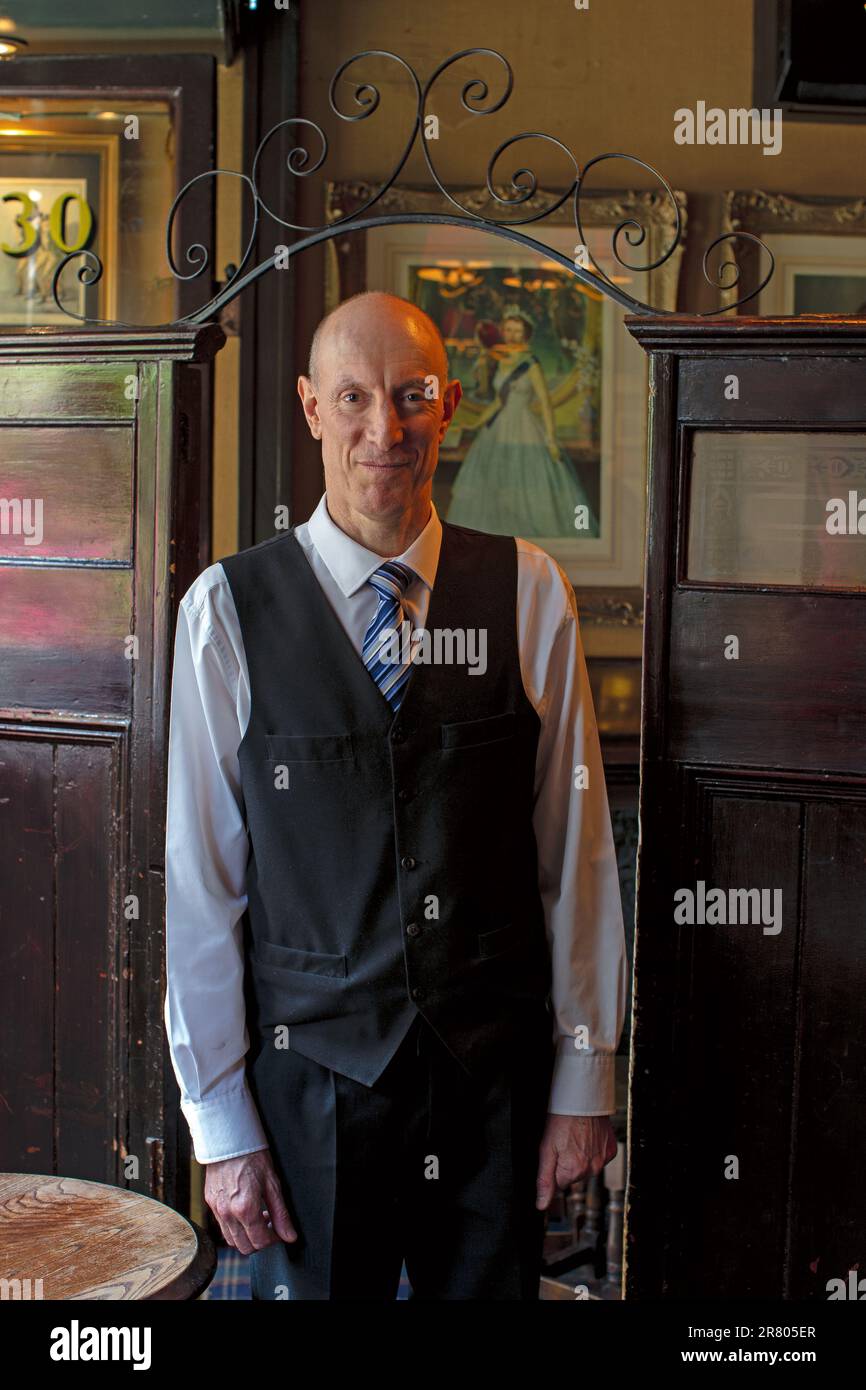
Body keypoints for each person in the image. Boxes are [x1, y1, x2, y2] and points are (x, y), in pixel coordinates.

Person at [164, 290, 626, 1301]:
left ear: (449, 403)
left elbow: (575, 854)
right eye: (355, 397)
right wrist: (221, 1124)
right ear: (310, 407)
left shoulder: (528, 591)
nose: (387, 428)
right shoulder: (225, 611)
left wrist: (583, 1079)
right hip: (309, 1089)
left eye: (411, 396)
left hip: (492, 1087)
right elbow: (204, 889)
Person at [446, 307, 600, 538]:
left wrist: (550, 438)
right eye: (508, 330)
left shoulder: (532, 364)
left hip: (526, 429)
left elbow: (546, 404)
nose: (512, 335)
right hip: (498, 431)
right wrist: (475, 424)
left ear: (526, 334)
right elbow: (499, 401)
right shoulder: (502, 362)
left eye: (517, 331)